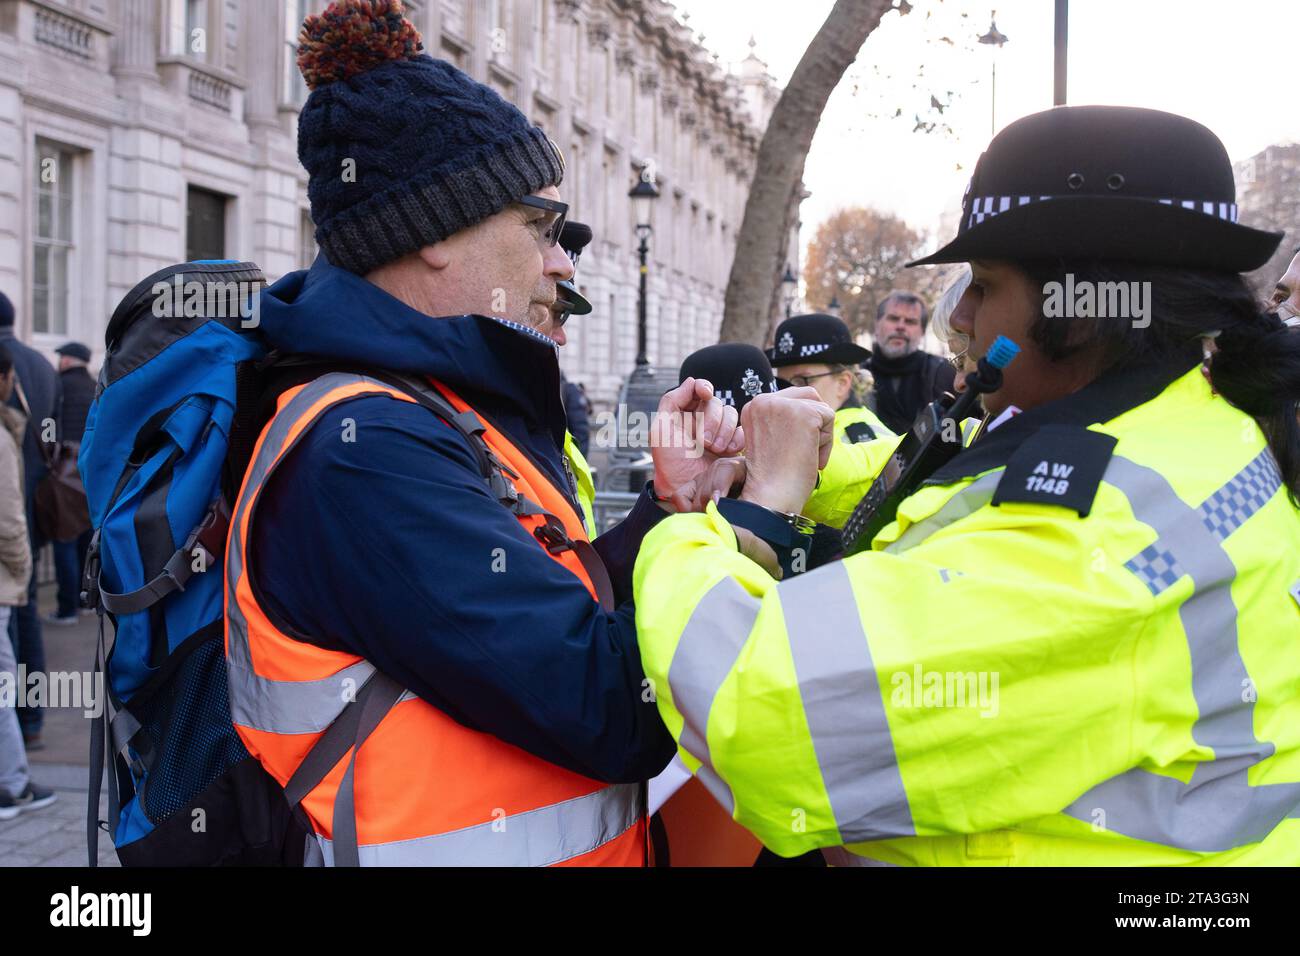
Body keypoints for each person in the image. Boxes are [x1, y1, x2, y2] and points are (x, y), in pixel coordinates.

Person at [631, 105, 1300, 865]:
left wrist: (714, 523)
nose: (967, 318)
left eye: (984, 285)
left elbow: (759, 713)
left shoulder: (1096, 535)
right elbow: (950, 508)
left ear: (1079, 307)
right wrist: (784, 466)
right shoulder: (1191, 432)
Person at [225, 0, 741, 867]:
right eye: (541, 226)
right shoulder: (362, 449)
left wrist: (664, 511)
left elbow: (557, 598)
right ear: (435, 233)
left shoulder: (432, 408)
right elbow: (614, 705)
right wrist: (763, 518)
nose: (563, 263)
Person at [767, 313, 900, 528]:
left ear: (842, 383)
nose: (790, 392)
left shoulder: (863, 436)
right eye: (781, 383)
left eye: (802, 380)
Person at [0, 291, 58, 750]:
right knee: (28, 614)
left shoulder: (13, 365)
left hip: (8, 510)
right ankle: (32, 718)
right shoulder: (42, 365)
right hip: (35, 504)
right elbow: (52, 433)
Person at [45, 341, 95, 627]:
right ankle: (85, 599)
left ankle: (66, 608)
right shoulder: (95, 387)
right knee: (86, 539)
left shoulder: (58, 386)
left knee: (64, 538)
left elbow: (49, 427)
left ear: (68, 360)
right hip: (89, 473)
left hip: (64, 472)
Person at [867, 290, 956, 433]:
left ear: (922, 331)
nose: (901, 326)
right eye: (893, 318)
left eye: (910, 321)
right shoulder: (856, 375)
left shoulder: (946, 374)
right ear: (877, 325)